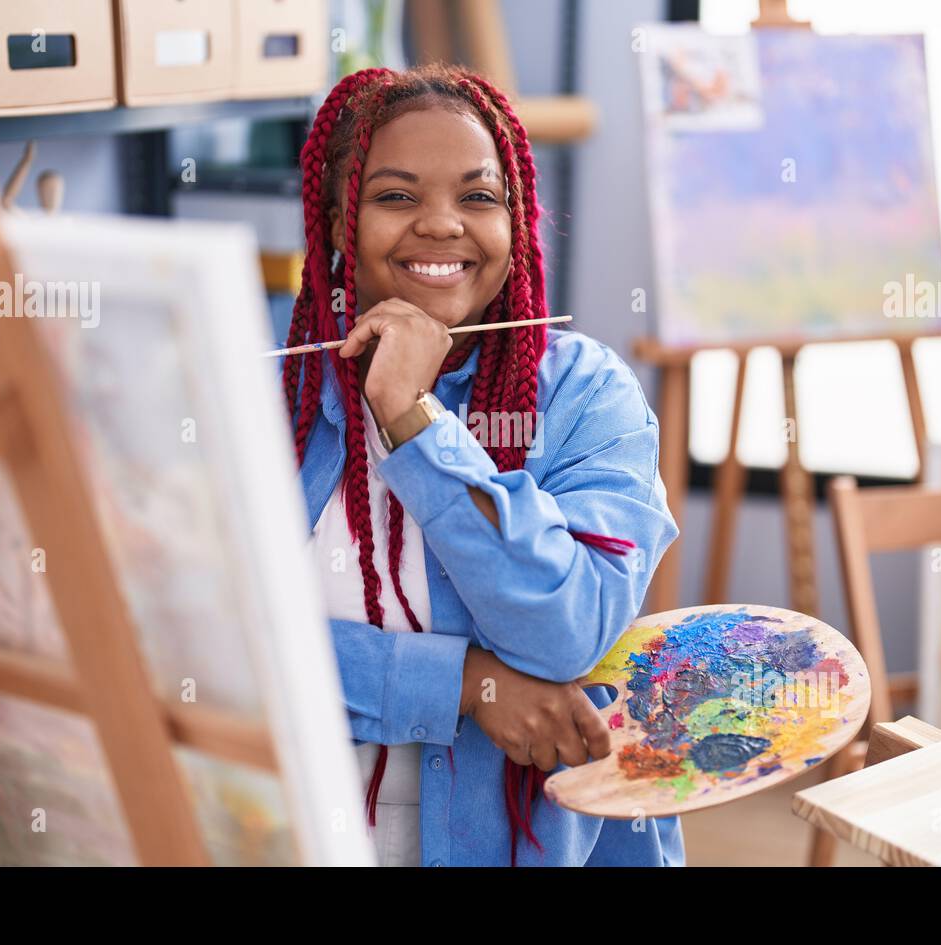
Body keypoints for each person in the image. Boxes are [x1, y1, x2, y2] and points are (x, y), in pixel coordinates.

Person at [285, 63, 681, 866]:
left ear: (516, 220)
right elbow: (225, 647)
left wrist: (412, 417)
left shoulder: (585, 395)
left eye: (478, 197)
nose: (441, 225)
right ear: (336, 224)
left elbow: (566, 627)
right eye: (396, 197)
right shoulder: (273, 399)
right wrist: (467, 685)